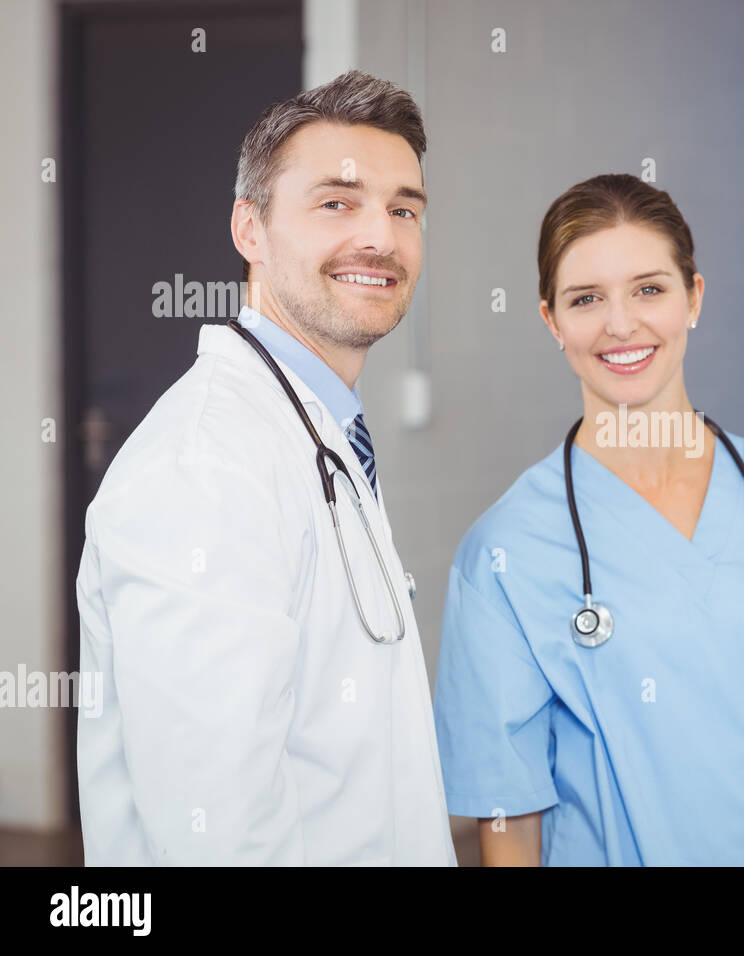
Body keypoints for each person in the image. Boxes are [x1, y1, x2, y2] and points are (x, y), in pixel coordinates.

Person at [433, 173, 744, 865]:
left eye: (649, 288)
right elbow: (508, 821)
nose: (620, 323)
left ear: (694, 297)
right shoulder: (506, 554)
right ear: (551, 321)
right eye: (586, 299)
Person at [75, 70, 456, 865]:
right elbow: (218, 830)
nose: (380, 238)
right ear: (250, 230)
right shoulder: (205, 467)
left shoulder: (319, 433)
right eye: (336, 203)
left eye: (404, 209)